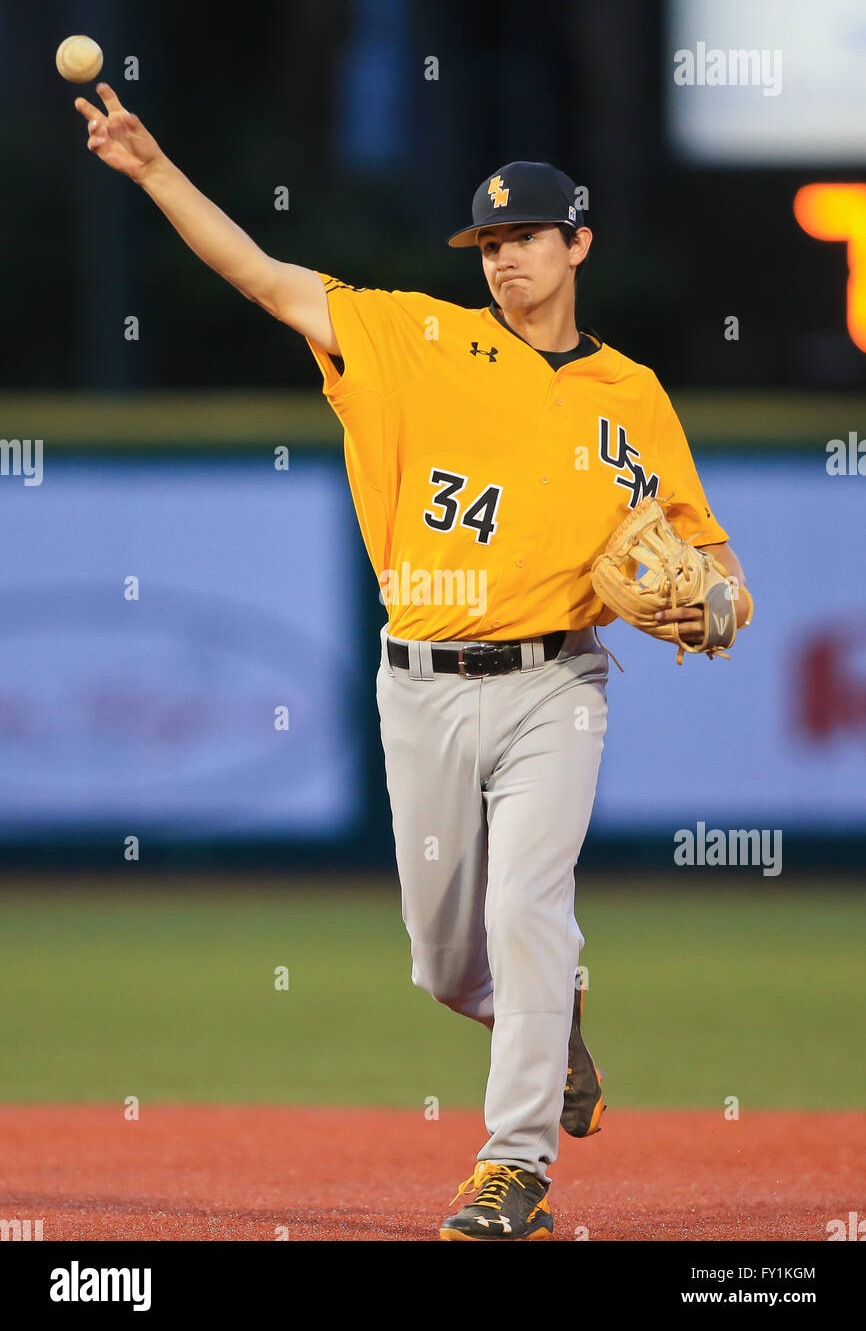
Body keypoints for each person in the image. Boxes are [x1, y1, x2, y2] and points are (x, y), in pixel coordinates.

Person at [75, 87, 752, 1242]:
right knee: (447, 964)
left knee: (529, 907)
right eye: (487, 244)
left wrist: (721, 599)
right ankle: (553, 1031)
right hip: (419, 687)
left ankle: (511, 1167)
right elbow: (261, 273)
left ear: (576, 243)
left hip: (558, 686)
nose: (502, 261)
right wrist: (152, 170)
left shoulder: (629, 394)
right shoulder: (414, 339)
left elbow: (702, 549)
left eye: (524, 238)